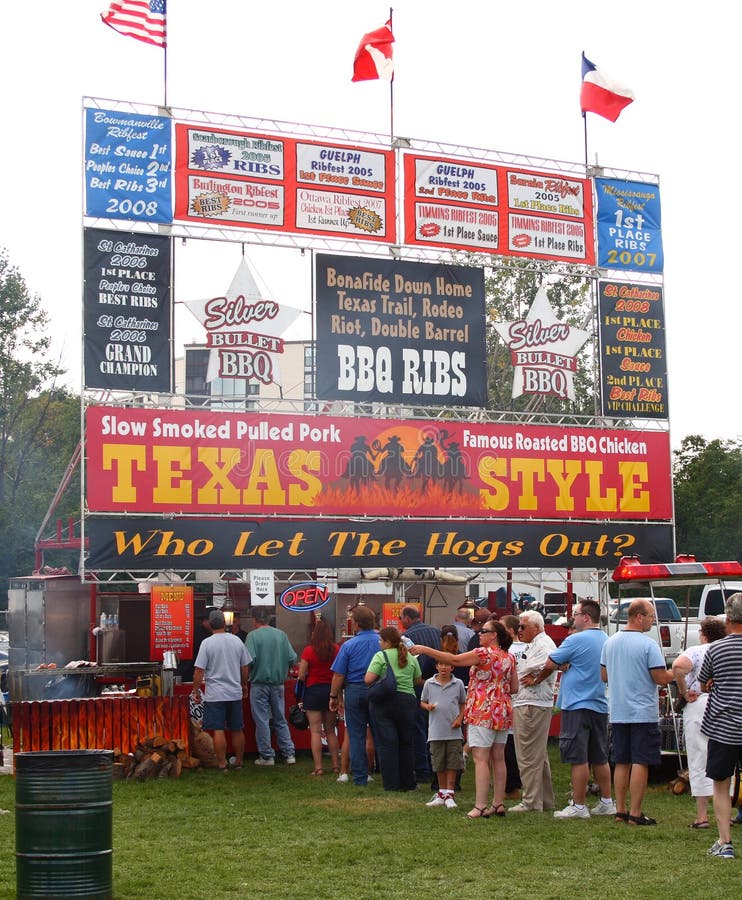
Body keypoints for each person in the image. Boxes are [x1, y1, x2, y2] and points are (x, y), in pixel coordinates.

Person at [413, 618, 518, 819]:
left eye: (484, 631)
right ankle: (498, 803)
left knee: (480, 758)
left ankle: (479, 806)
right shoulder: (508, 657)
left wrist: (425, 649)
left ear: (494, 635)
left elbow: (454, 660)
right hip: (503, 709)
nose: (479, 634)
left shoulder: (482, 654)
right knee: (498, 757)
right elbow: (514, 688)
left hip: (483, 709)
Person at [525, 599, 616, 819]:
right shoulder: (607, 639)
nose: (572, 618)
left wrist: (546, 674)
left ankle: (579, 805)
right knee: (599, 756)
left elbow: (550, 662)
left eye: (575, 614)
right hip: (599, 702)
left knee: (578, 757)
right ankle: (606, 801)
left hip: (577, 703)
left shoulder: (575, 639)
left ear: (586, 616)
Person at [600, 598, 675, 825]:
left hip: (619, 709)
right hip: (642, 711)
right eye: (651, 616)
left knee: (621, 761)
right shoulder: (648, 645)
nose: (653, 621)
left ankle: (620, 810)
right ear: (639, 617)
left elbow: (604, 676)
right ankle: (635, 812)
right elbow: (660, 678)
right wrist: (677, 670)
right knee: (641, 761)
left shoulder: (610, 642)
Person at [672, 616, 728, 828]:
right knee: (725, 755)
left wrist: (684, 692)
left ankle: (702, 815)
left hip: (698, 703)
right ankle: (726, 811)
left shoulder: (696, 651)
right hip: (724, 704)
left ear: (704, 635)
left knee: (698, 757)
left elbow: (678, 666)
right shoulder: (727, 649)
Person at [699, 593, 742, 859]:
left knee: (720, 785)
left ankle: (725, 842)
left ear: (728, 619)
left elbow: (703, 682)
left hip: (723, 726)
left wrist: (714, 684)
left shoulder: (716, 648)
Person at [191, 608, 251, 771]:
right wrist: (244, 684)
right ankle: (238, 762)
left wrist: (195, 690)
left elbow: (199, 670)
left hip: (215, 694)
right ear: (225, 623)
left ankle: (222, 763)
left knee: (218, 729)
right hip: (234, 692)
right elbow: (245, 666)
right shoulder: (236, 641)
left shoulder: (207, 643)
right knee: (237, 728)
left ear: (210, 625)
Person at [509, 610, 557, 812]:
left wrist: (536, 677)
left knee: (527, 755)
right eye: (518, 626)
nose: (519, 630)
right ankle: (545, 800)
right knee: (538, 755)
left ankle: (530, 802)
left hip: (531, 703)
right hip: (530, 702)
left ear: (536, 627)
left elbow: (549, 662)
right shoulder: (536, 644)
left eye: (523, 626)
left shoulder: (544, 644)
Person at [365, 626, 423, 792]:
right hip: (407, 701)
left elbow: (368, 679)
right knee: (406, 743)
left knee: (387, 743)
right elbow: (418, 680)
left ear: (387, 642)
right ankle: (408, 782)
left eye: (381, 640)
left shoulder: (381, 656)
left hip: (384, 702)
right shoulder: (410, 657)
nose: (379, 643)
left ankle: (391, 783)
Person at [329, 605, 380, 786]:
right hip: (378, 689)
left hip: (355, 690)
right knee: (381, 733)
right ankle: (387, 772)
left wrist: (334, 696)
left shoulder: (348, 645)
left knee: (356, 735)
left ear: (356, 624)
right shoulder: (383, 642)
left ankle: (360, 776)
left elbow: (339, 674)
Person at [246, 608, 297, 766]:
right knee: (280, 719)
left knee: (262, 720)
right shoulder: (280, 634)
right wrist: (284, 669)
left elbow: (248, 660)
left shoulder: (252, 636)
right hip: (278, 684)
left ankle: (267, 756)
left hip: (259, 684)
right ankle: (289, 754)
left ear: (255, 620)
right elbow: (292, 657)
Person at [398, 605, 441, 783]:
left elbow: (409, 664)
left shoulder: (407, 637)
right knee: (436, 726)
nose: (401, 622)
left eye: (401, 619)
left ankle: (423, 769)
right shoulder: (435, 631)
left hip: (419, 685)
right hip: (439, 683)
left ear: (408, 618)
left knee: (418, 727)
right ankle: (437, 766)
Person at [297, 617, 340, 776]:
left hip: (313, 691)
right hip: (331, 691)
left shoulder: (309, 650)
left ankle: (319, 768)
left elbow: (301, 675)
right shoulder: (336, 649)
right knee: (330, 730)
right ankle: (336, 766)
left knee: (315, 731)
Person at [421, 660, 466, 809]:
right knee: (439, 763)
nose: (443, 667)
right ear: (436, 667)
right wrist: (428, 706)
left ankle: (450, 793)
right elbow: (422, 701)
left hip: (453, 732)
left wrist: (459, 719)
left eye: (447, 665)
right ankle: (441, 793)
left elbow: (463, 703)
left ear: (452, 667)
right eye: (440, 664)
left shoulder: (458, 683)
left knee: (453, 763)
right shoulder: (429, 683)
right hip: (436, 731)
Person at [500, 614, 525, 799]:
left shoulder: (506, 652)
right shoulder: (526, 648)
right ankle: (511, 785)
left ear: (509, 630)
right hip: (518, 701)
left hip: (511, 701)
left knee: (507, 749)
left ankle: (511, 786)